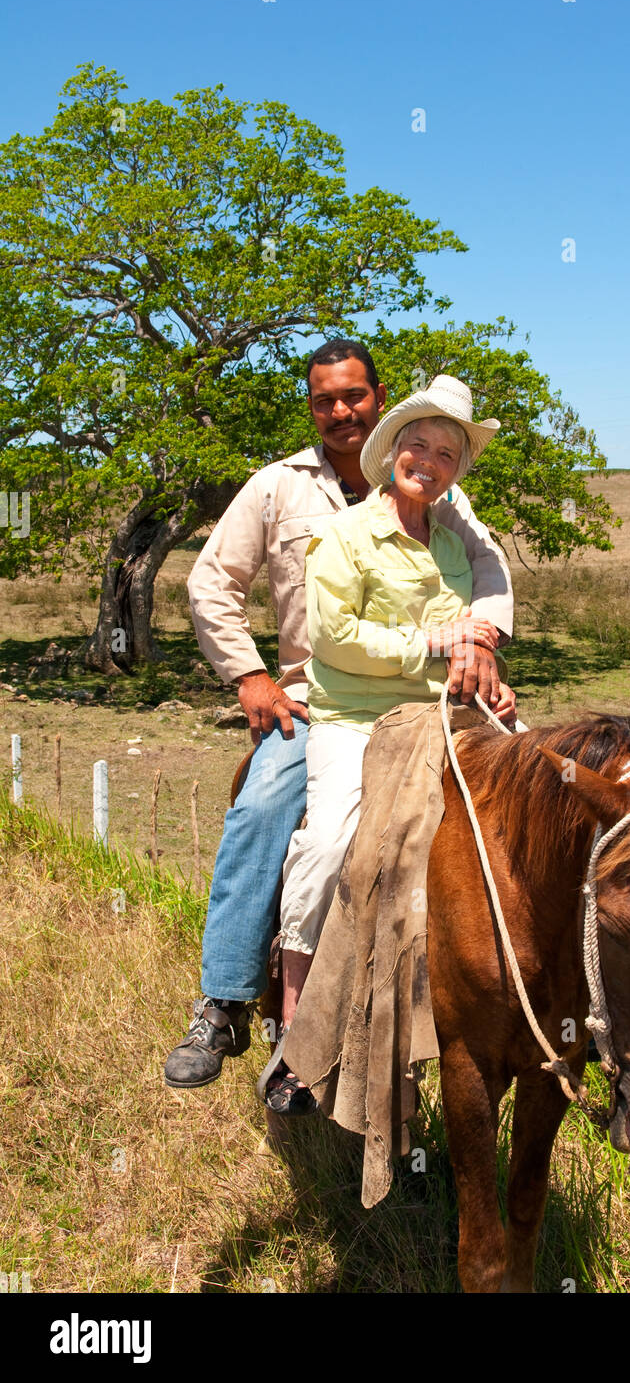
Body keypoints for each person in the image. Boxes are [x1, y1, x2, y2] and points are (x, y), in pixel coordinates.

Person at [163, 342, 513, 1090]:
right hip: (319, 697)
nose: (340, 411)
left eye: (353, 396)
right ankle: (225, 999)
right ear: (312, 406)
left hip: (431, 696)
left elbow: (487, 569)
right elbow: (211, 581)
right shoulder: (277, 487)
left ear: (379, 397)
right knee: (264, 808)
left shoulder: (439, 484)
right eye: (324, 400)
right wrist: (250, 677)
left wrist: (481, 642)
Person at [260, 374, 516, 1115]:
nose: (427, 461)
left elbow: (470, 625)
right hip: (359, 717)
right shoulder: (341, 535)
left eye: (445, 452)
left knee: (550, 798)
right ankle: (297, 1029)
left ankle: (553, 1009)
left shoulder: (450, 541)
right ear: (390, 451)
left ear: (454, 472)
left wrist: (483, 668)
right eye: (416, 444)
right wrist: (435, 643)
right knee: (331, 838)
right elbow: (334, 642)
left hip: (445, 711)